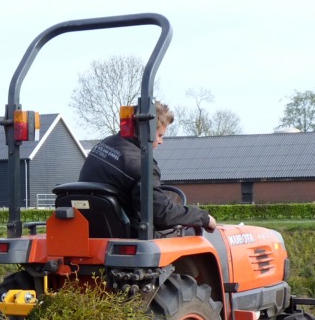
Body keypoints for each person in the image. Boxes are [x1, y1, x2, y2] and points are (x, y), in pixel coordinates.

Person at [78, 100, 217, 236]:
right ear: (147, 132)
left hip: (91, 233)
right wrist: (204, 217)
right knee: (192, 234)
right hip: (131, 237)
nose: (161, 141)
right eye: (160, 135)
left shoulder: (103, 145)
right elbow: (162, 214)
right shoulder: (143, 166)